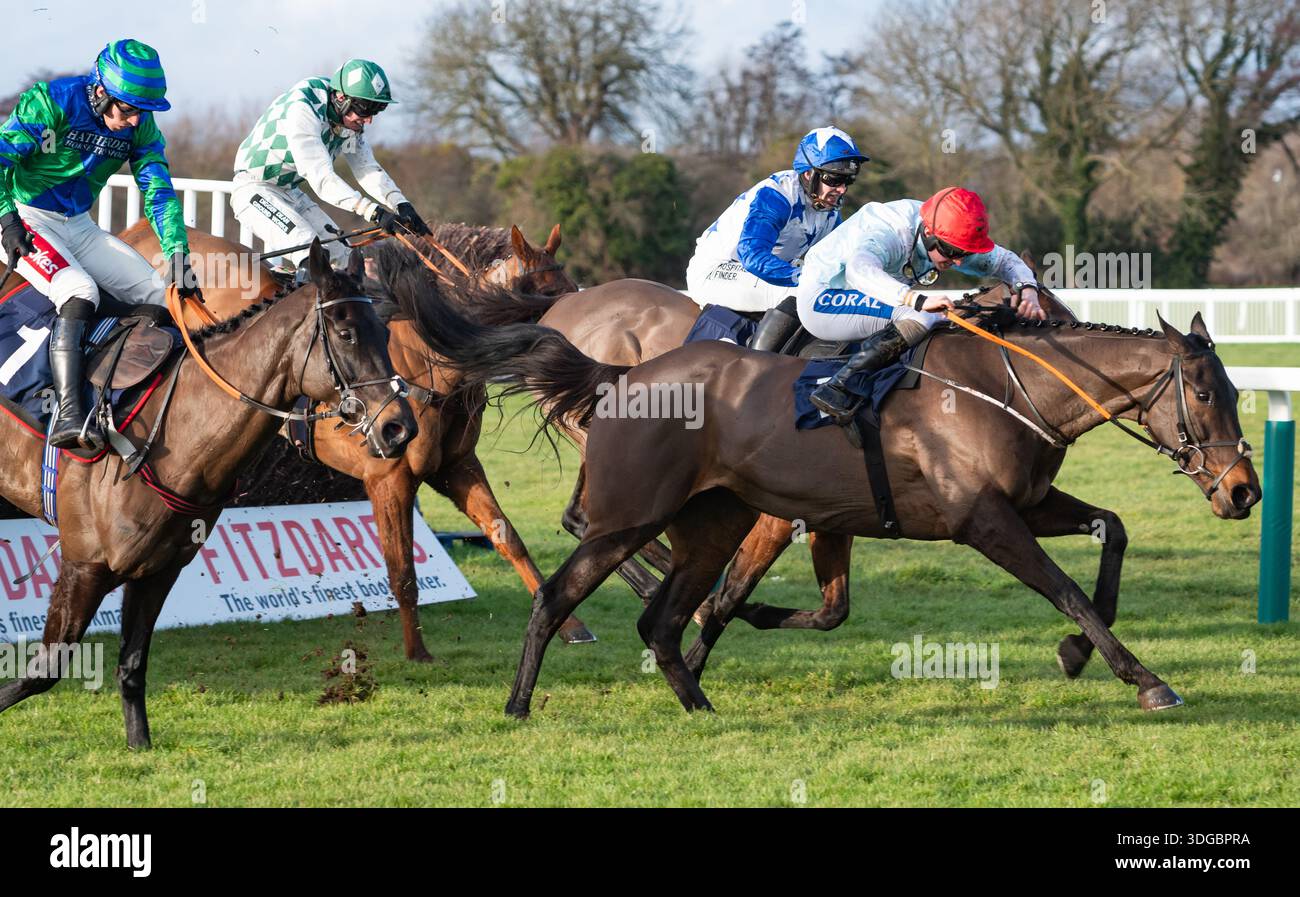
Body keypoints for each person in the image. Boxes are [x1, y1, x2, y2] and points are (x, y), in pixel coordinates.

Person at [0, 39, 200, 450]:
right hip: (27, 214)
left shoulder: (139, 123)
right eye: (127, 109)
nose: (133, 121)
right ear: (100, 91)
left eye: (141, 112)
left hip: (78, 223)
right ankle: (68, 413)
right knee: (79, 289)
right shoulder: (50, 102)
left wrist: (178, 252)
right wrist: (7, 218)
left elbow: (157, 190)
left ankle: (129, 402)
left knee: (160, 294)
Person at [798, 186, 1046, 423]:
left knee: (941, 318)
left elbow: (1006, 261)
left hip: (865, 295)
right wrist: (916, 300)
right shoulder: (892, 231)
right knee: (922, 317)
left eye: (964, 253)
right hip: (824, 296)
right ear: (928, 233)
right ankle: (838, 387)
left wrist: (1028, 289)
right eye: (951, 251)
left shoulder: (947, 233)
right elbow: (858, 270)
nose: (958, 262)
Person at [232, 59, 430, 273]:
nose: (369, 120)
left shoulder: (346, 118)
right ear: (342, 98)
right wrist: (375, 213)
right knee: (314, 255)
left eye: (377, 110)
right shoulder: (304, 107)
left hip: (291, 192)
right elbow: (322, 179)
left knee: (347, 260)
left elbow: (366, 168)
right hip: (254, 190)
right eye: (366, 109)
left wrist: (401, 204)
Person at [685, 127, 867, 351]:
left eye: (847, 181)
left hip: (753, 274)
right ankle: (758, 366)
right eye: (834, 179)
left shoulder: (828, 209)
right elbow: (752, 255)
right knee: (803, 291)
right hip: (718, 270)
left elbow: (841, 259)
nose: (841, 189)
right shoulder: (777, 196)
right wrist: (803, 276)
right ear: (809, 173)